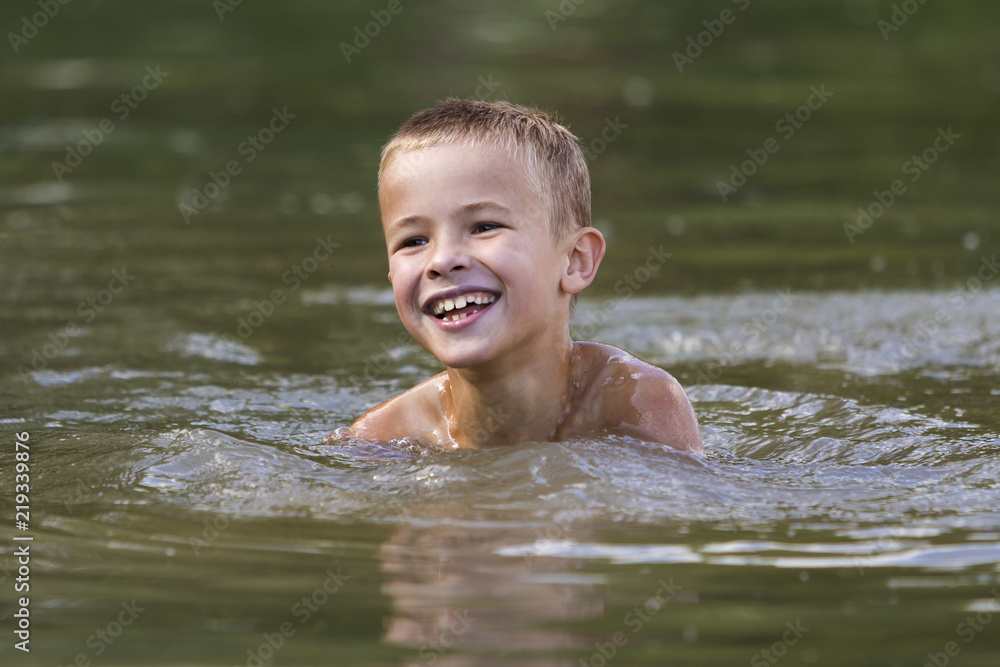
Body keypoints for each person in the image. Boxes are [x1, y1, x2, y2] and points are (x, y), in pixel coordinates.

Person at [345, 99, 702, 454]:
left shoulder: (636, 404)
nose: (441, 260)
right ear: (391, 276)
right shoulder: (381, 440)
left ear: (575, 261)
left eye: (484, 226)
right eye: (414, 241)